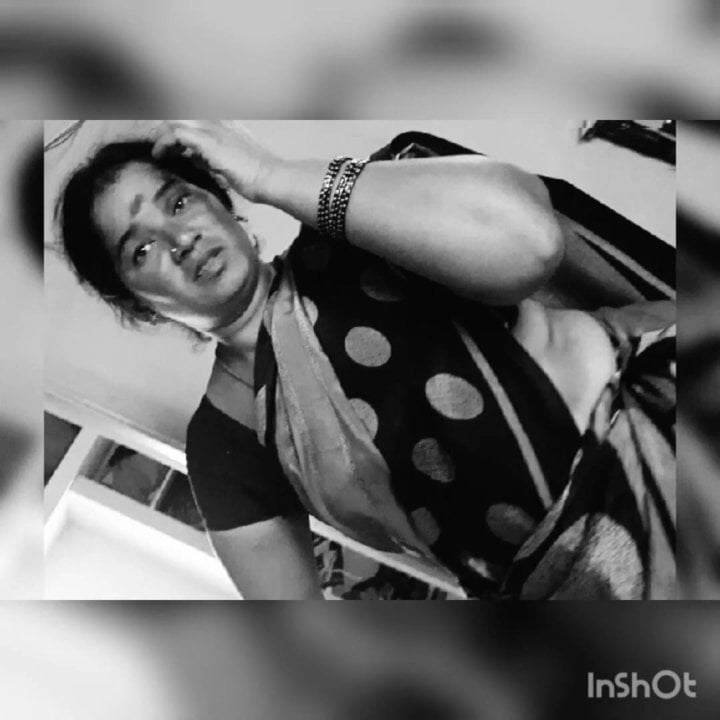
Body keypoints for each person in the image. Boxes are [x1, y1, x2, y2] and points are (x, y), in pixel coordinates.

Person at [55, 121, 676, 600]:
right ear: (139, 305)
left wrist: (271, 174)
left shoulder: (359, 229)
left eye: (179, 202)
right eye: (140, 251)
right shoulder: (226, 443)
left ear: (224, 201)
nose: (179, 238)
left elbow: (529, 243)